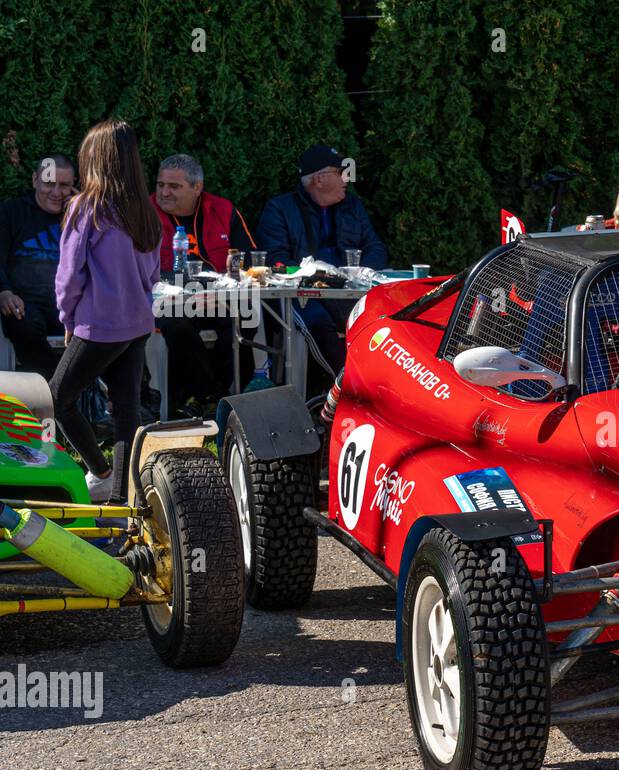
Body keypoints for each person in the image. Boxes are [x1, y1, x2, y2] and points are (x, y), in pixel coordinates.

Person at [51, 120, 161, 503]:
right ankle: (122, 496)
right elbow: (153, 274)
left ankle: (100, 472)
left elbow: (68, 277)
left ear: (93, 160)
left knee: (57, 399)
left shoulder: (86, 207)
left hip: (98, 325)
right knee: (125, 410)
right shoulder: (145, 211)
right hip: (138, 324)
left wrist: (67, 320)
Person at [256, 144, 387, 373]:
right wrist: (318, 276)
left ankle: (382, 384)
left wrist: (356, 275)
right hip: (303, 294)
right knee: (315, 321)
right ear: (319, 179)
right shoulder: (279, 209)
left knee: (384, 321)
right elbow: (276, 262)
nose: (347, 178)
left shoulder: (353, 206)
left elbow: (376, 248)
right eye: (340, 172)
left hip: (351, 291)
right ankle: (348, 386)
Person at [150, 153, 255, 406]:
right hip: (168, 300)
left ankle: (219, 391)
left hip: (219, 297)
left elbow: (247, 260)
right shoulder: (144, 213)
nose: (164, 192)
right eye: (160, 185)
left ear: (197, 187)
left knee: (247, 318)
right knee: (175, 326)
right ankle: (210, 395)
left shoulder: (223, 210)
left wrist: (228, 280)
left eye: (174, 186)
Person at [0, 155, 76, 379]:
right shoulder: (11, 212)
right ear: (35, 180)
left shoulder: (81, 217)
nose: (56, 192)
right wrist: (4, 291)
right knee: (21, 322)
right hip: (24, 303)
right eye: (49, 183)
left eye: (64, 185)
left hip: (70, 304)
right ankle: (59, 387)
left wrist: (84, 207)